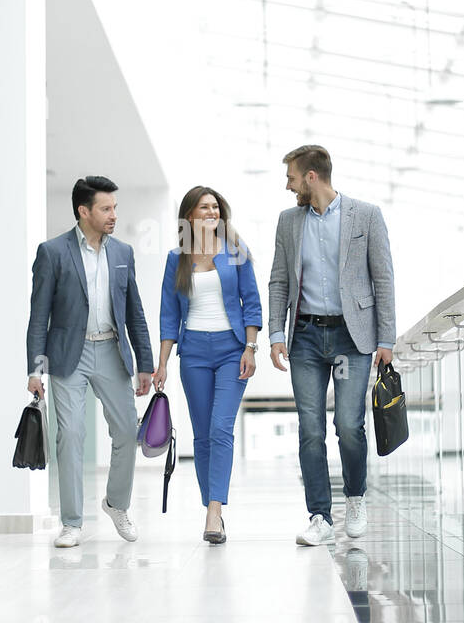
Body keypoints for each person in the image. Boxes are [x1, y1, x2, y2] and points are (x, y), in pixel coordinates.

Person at [267, 145, 396, 546]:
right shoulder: (288, 222)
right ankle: (320, 516)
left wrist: (386, 337)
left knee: (348, 426)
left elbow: (383, 278)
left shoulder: (366, 215)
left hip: (351, 336)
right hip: (305, 336)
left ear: (311, 177)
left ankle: (355, 498)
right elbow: (278, 281)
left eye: (291, 178)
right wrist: (275, 334)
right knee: (310, 428)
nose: (287, 186)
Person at [26, 176, 154, 548]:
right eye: (106, 208)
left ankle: (117, 504)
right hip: (69, 354)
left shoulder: (123, 254)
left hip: (112, 351)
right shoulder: (52, 252)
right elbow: (39, 316)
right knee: (71, 435)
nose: (114, 214)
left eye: (114, 207)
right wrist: (36, 369)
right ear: (84, 212)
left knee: (128, 430)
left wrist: (144, 363)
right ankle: (72, 523)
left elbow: (135, 312)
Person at [154, 187, 262, 544]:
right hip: (194, 352)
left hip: (232, 350)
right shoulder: (177, 258)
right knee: (201, 436)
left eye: (216, 207)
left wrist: (250, 347)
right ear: (189, 216)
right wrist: (163, 363)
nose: (212, 212)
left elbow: (252, 304)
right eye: (204, 207)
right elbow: (169, 314)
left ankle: (215, 512)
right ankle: (210, 508)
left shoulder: (236, 253)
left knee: (220, 429)